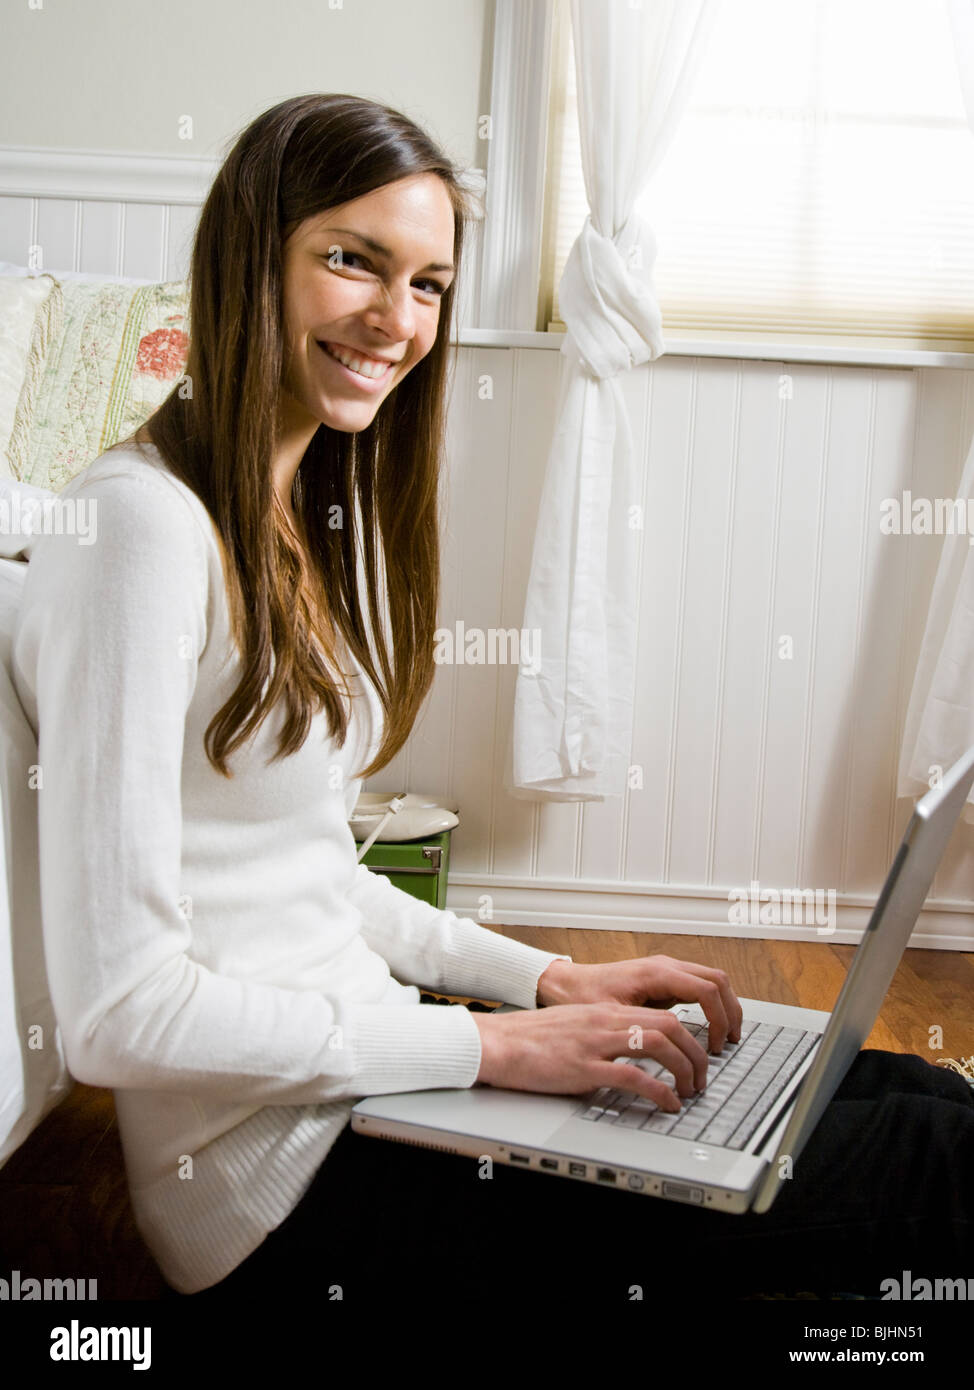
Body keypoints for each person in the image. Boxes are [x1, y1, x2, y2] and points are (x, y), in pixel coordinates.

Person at [11, 93, 974, 1310]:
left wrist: (542, 980)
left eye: (426, 283)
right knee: (934, 1167)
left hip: (380, 1088)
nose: (394, 319)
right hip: (288, 1196)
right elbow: (119, 1016)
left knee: (910, 1095)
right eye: (351, 260)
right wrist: (486, 1046)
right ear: (248, 254)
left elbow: (305, 874)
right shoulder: (137, 528)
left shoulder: (296, 518)